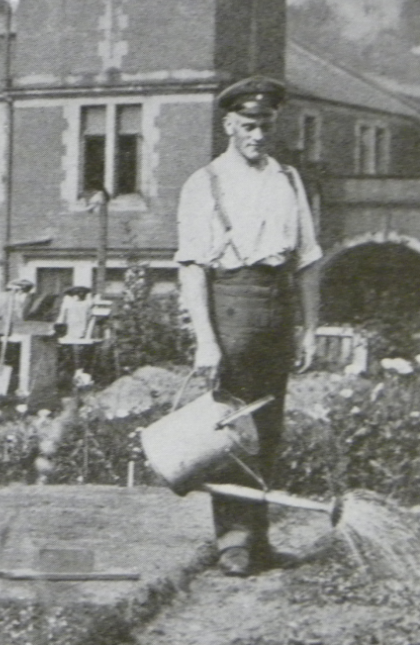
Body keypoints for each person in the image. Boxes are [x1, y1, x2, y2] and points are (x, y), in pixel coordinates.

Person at [174, 75, 322, 577]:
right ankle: (232, 542)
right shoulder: (205, 183)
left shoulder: (289, 179)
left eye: (265, 125)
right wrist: (207, 341)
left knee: (269, 430)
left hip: (278, 307)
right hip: (231, 307)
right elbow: (193, 268)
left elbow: (306, 259)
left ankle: (259, 540)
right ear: (228, 125)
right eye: (247, 125)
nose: (257, 134)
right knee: (234, 433)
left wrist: (309, 328)